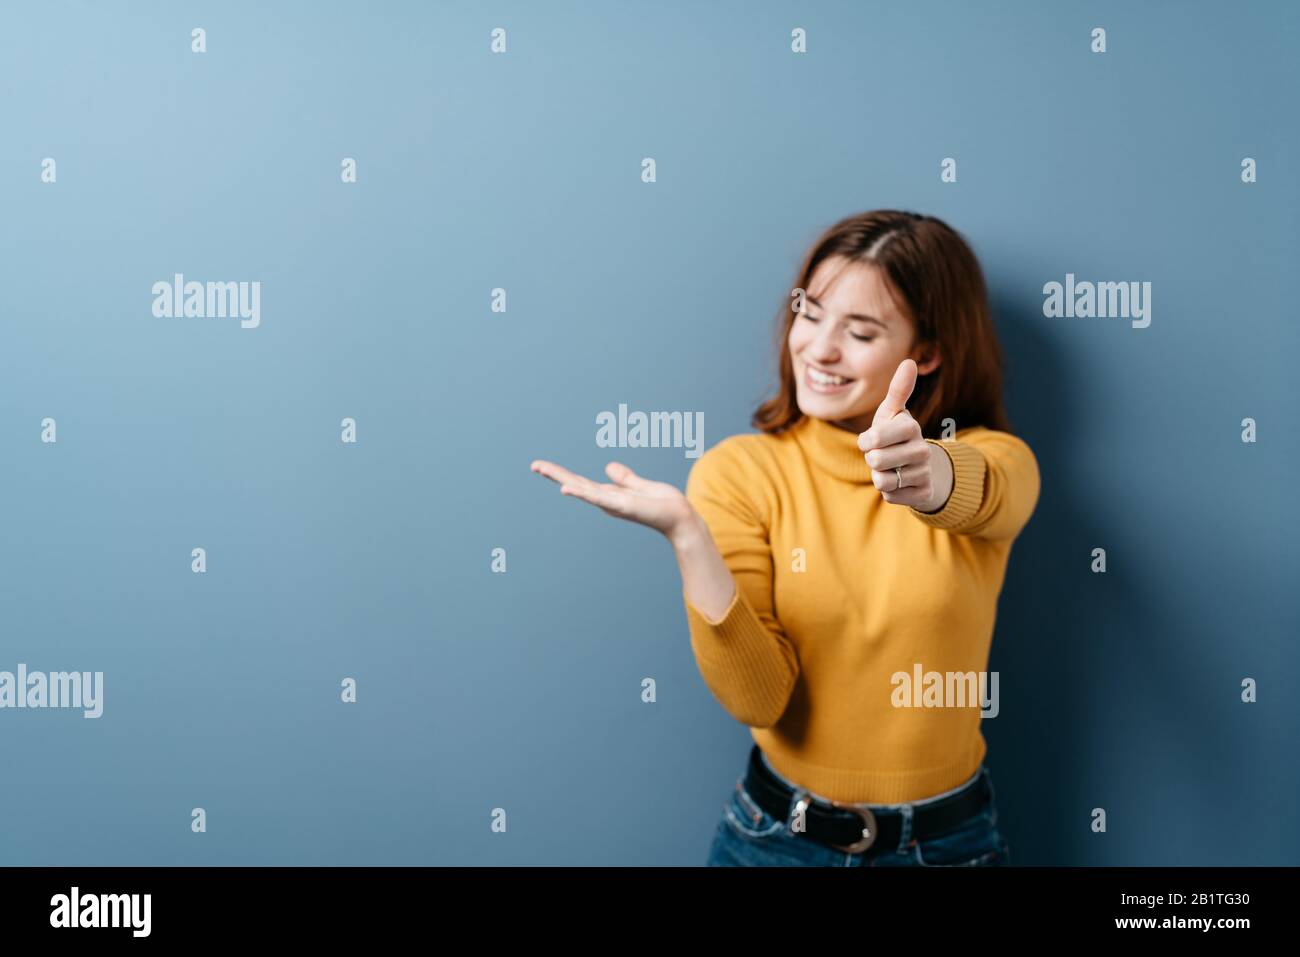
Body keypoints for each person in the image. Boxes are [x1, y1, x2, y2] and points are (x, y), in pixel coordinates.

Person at [531, 210, 1040, 866]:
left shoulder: (994, 459)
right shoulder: (739, 473)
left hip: (946, 846)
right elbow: (760, 699)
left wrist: (925, 474)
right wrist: (688, 538)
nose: (819, 349)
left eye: (860, 332)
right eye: (810, 314)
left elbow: (983, 489)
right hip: (774, 843)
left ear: (927, 353)